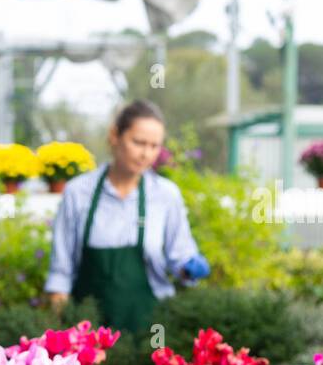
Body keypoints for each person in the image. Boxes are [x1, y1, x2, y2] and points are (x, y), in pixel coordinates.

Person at [45, 100, 210, 334]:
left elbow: (180, 255)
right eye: (139, 142)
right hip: (89, 334)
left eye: (154, 146)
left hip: (151, 328)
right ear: (115, 136)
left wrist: (189, 267)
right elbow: (60, 274)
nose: (146, 154)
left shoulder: (165, 195)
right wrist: (63, 336)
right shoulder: (78, 193)